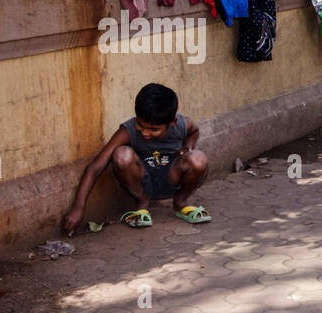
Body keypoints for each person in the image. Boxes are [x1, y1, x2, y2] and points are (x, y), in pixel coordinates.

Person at [62, 83, 211, 233]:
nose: (145, 133)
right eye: (141, 125)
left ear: (172, 122)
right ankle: (142, 203)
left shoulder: (182, 124)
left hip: (172, 177)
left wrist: (188, 146)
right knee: (121, 154)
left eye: (154, 129)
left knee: (198, 158)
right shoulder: (128, 130)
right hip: (143, 181)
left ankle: (180, 202)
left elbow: (194, 131)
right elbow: (95, 167)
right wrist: (78, 207)